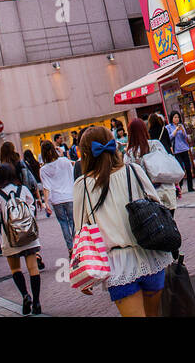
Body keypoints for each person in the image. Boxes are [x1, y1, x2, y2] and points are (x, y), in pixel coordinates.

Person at [72, 125, 173, 316]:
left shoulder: (82, 186)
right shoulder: (133, 171)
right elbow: (157, 204)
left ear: (85, 154)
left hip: (118, 265)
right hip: (151, 254)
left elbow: (80, 231)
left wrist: (83, 272)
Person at [0, 164, 42, 314]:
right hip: (28, 235)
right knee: (33, 268)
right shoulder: (23, 189)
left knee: (15, 269)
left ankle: (25, 295)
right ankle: (37, 303)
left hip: (10, 237)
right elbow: (32, 208)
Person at [124, 117, 178, 211]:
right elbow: (166, 164)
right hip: (165, 189)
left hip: (147, 196)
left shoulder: (129, 154)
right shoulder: (155, 144)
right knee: (170, 223)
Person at [39, 140, 77, 250]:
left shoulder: (43, 169)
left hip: (56, 199)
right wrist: (61, 152)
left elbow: (46, 187)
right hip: (70, 196)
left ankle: (70, 248)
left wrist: (46, 202)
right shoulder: (64, 161)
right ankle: (77, 245)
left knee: (63, 223)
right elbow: (73, 166)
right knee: (73, 222)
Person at [166, 111, 195, 196]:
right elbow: (169, 138)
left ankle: (190, 187)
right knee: (180, 169)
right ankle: (180, 186)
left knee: (188, 168)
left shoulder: (181, 126)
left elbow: (185, 137)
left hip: (184, 149)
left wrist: (183, 131)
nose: (177, 119)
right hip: (176, 151)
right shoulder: (168, 127)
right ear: (172, 118)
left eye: (178, 117)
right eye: (175, 117)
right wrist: (176, 130)